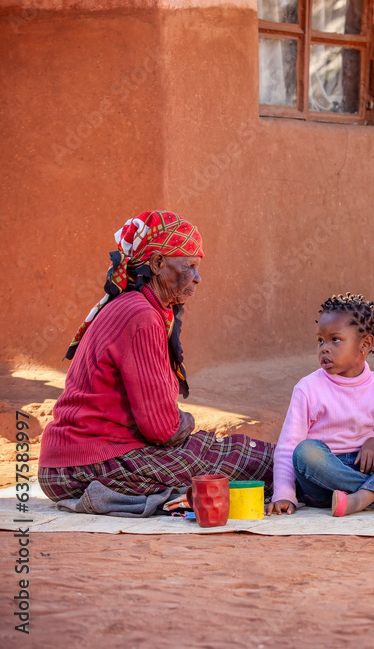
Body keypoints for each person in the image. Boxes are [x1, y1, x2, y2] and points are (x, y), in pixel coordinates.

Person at [38, 211, 273, 502]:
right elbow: (162, 429)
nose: (198, 278)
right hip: (87, 466)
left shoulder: (135, 307)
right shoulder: (141, 316)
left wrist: (181, 427)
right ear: (158, 264)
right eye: (190, 266)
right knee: (252, 463)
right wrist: (185, 421)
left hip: (72, 463)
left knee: (220, 452)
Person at [267, 294, 374, 517]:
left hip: (369, 465)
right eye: (320, 340)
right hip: (324, 480)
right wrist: (284, 494)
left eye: (335, 339)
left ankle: (362, 498)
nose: (324, 348)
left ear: (365, 344)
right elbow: (288, 446)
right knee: (305, 451)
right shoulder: (308, 388)